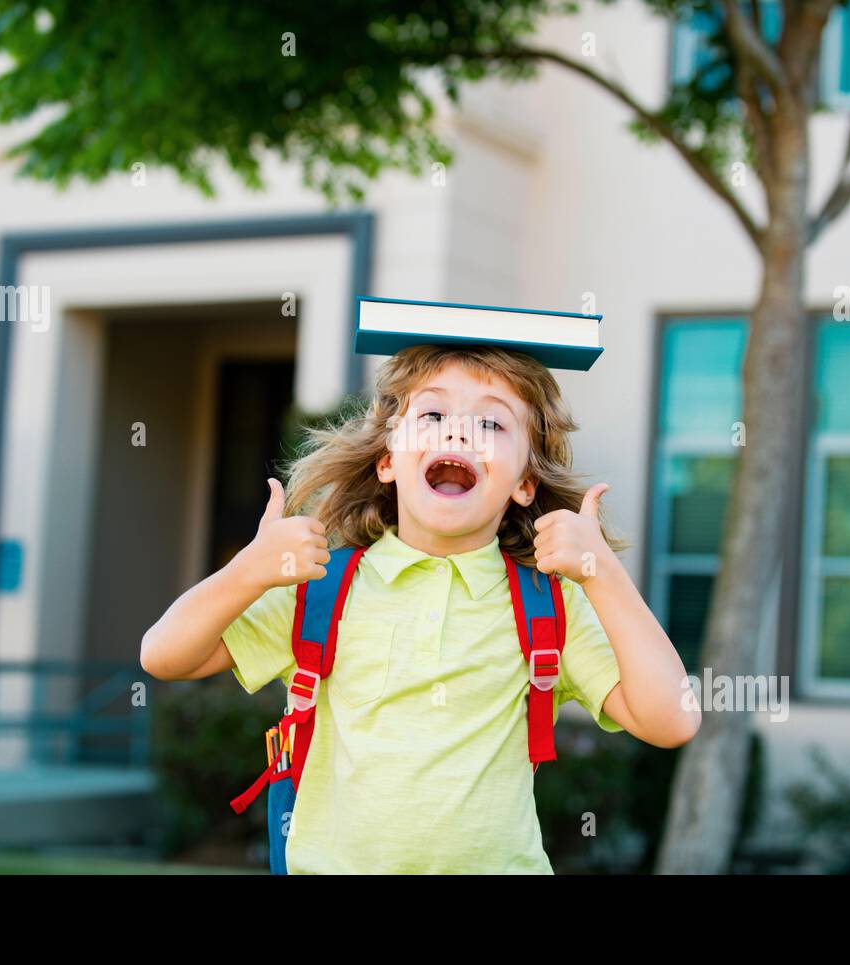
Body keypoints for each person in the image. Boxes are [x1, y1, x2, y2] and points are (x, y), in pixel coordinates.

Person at [140, 343, 699, 872]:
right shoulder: (320, 588)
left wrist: (605, 575)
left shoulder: (549, 601)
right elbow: (165, 657)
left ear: (525, 483)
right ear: (388, 461)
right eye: (432, 415)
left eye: (492, 423)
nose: (459, 429)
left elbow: (671, 719)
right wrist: (247, 571)